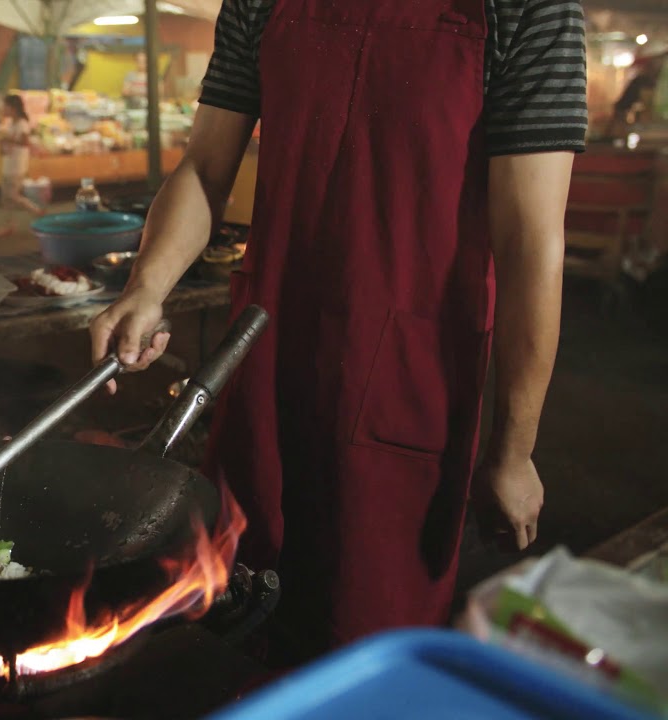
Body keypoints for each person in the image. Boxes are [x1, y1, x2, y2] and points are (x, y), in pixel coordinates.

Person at [91, 0, 586, 665]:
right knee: (240, 608)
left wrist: (514, 446)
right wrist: (146, 286)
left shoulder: (530, 9)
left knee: (370, 633)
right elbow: (206, 167)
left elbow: (530, 242)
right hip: (265, 354)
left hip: (409, 370)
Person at [0, 94, 43, 239]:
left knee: (12, 196)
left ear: (13, 108)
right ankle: (9, 225)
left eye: (5, 106)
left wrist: (7, 139)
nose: (3, 109)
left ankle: (36, 211)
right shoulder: (12, 123)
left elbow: (24, 142)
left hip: (16, 165)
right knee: (6, 197)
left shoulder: (22, 123)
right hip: (9, 163)